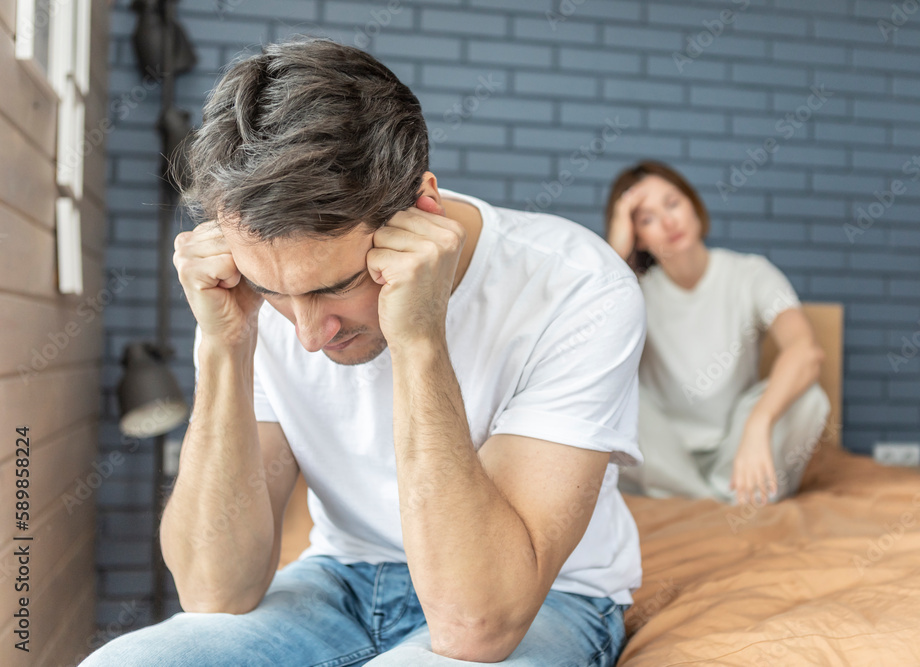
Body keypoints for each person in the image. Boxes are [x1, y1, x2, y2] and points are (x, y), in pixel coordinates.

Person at [81, 39, 646, 666]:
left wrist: (420, 340)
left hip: (545, 598)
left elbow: (477, 624)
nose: (308, 334)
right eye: (274, 292)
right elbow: (214, 591)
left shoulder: (579, 286)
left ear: (422, 209)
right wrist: (224, 346)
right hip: (343, 582)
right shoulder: (245, 290)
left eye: (335, 287)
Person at [604, 160, 831, 507]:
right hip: (667, 455)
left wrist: (759, 424)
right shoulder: (630, 290)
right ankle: (719, 499)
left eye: (672, 203)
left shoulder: (751, 273)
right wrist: (615, 253)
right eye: (647, 219)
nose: (668, 222)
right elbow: (587, 353)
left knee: (809, 397)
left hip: (736, 446)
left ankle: (706, 496)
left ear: (694, 207)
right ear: (638, 237)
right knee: (615, 396)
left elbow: (805, 351)